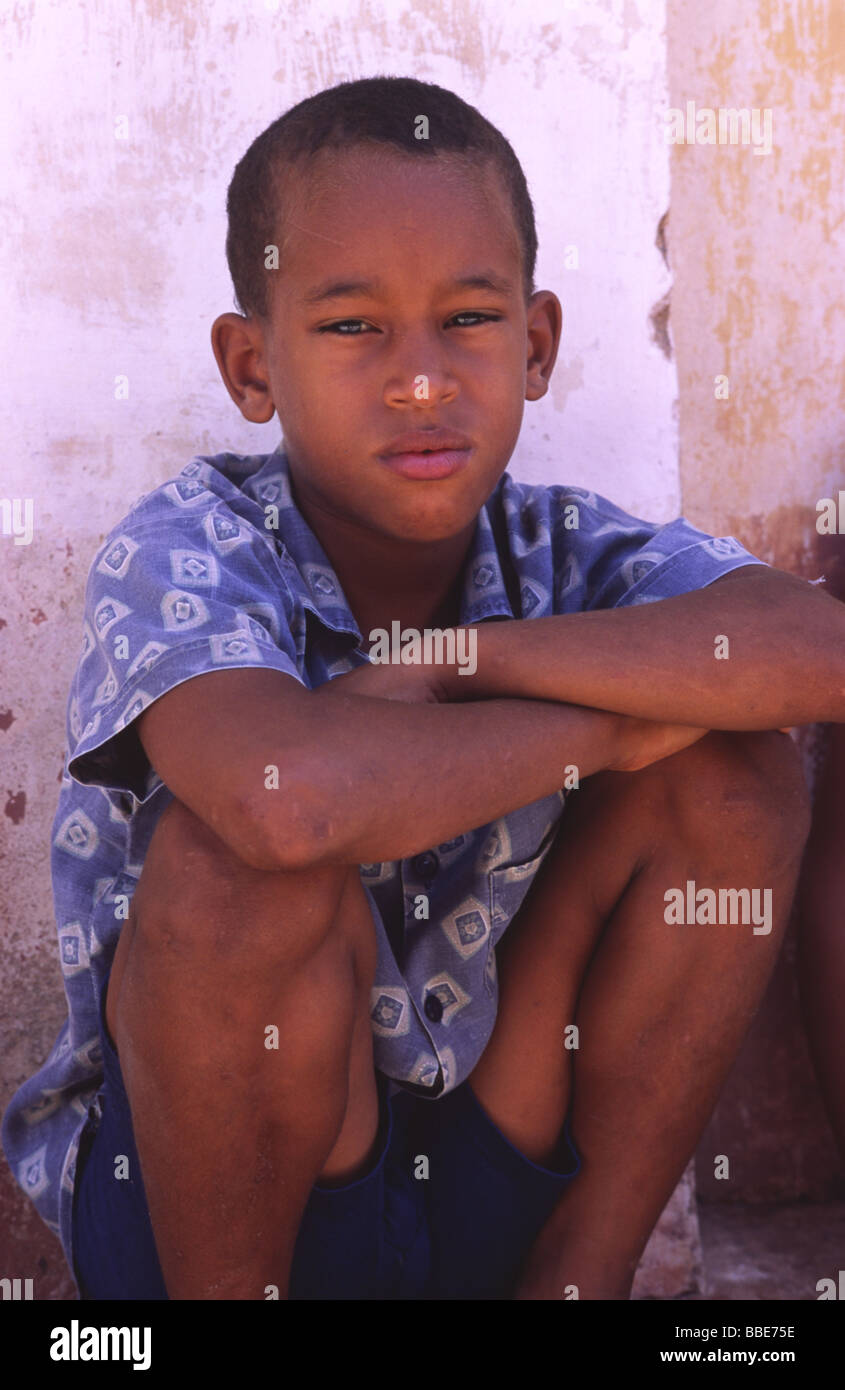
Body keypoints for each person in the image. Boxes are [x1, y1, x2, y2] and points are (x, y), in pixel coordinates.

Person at [4, 76, 844, 1302]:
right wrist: (614, 724)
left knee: (735, 772)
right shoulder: (191, 546)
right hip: (219, 1223)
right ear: (252, 365)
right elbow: (284, 798)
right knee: (235, 871)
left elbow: (811, 650)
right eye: (352, 328)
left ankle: (575, 1283)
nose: (418, 380)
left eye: (467, 319)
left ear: (536, 343)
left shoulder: (563, 550)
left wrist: (458, 663)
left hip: (488, 1161)